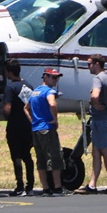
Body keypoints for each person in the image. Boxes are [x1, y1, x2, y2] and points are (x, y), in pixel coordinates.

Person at [76, 53, 107, 194]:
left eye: (89, 64)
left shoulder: (98, 79)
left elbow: (95, 95)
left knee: (105, 152)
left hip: (100, 120)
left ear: (97, 64)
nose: (88, 67)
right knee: (96, 152)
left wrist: (94, 104)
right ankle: (92, 185)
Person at [27, 68, 65, 196]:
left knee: (41, 159)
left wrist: (33, 120)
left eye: (57, 78)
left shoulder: (35, 92)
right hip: (47, 129)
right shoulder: (49, 91)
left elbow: (26, 108)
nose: (56, 80)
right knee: (54, 157)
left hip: (36, 129)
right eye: (53, 77)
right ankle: (57, 187)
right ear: (45, 77)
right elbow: (52, 104)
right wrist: (55, 119)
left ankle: (46, 188)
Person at [2, 59, 34, 196]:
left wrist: (5, 115)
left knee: (16, 156)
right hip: (28, 125)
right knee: (27, 155)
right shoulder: (29, 86)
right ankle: (30, 185)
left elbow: (7, 107)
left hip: (15, 126)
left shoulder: (10, 87)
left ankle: (20, 185)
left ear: (9, 72)